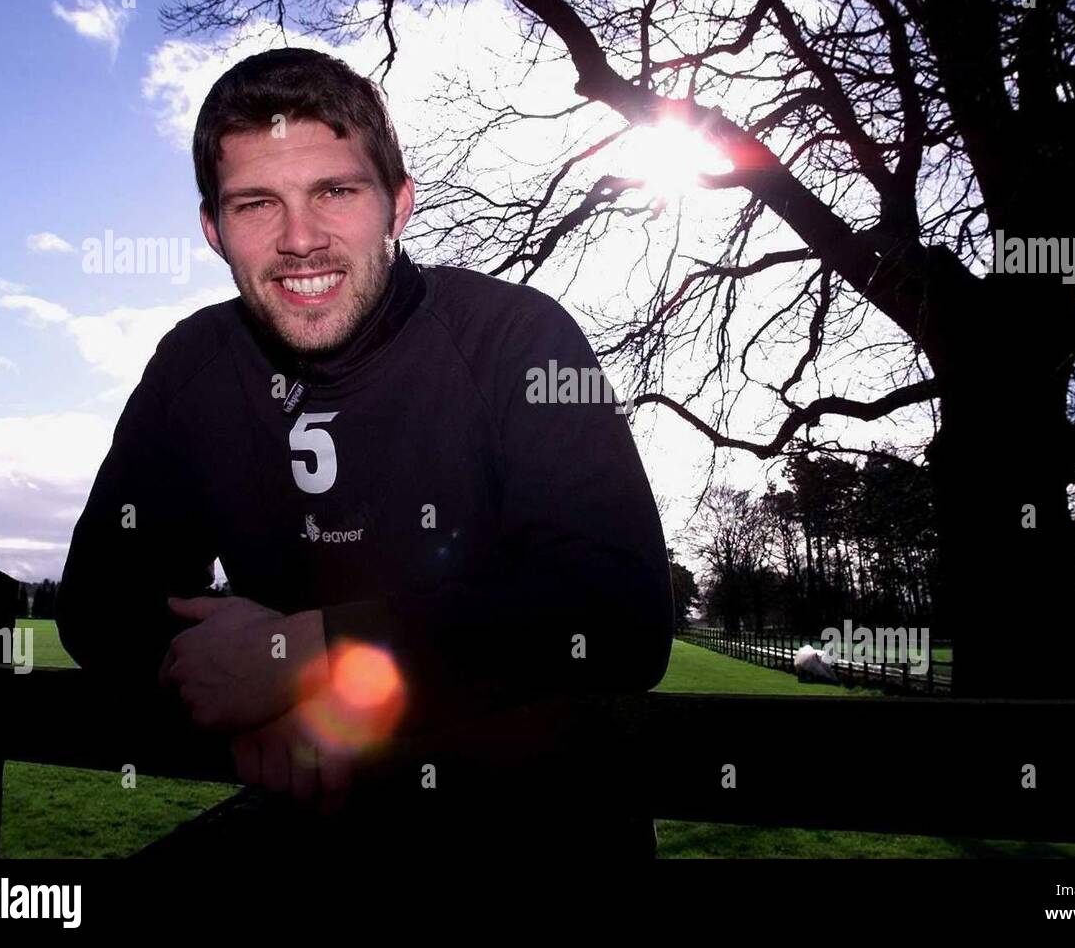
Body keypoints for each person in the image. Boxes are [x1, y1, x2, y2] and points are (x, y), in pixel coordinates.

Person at [55, 47, 674, 860]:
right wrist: (239, 695)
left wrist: (312, 654)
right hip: (318, 824)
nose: (299, 239)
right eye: (255, 204)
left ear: (398, 204)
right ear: (213, 229)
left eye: (335, 192)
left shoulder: (521, 337)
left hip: (539, 834)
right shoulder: (192, 368)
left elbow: (618, 613)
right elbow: (99, 606)